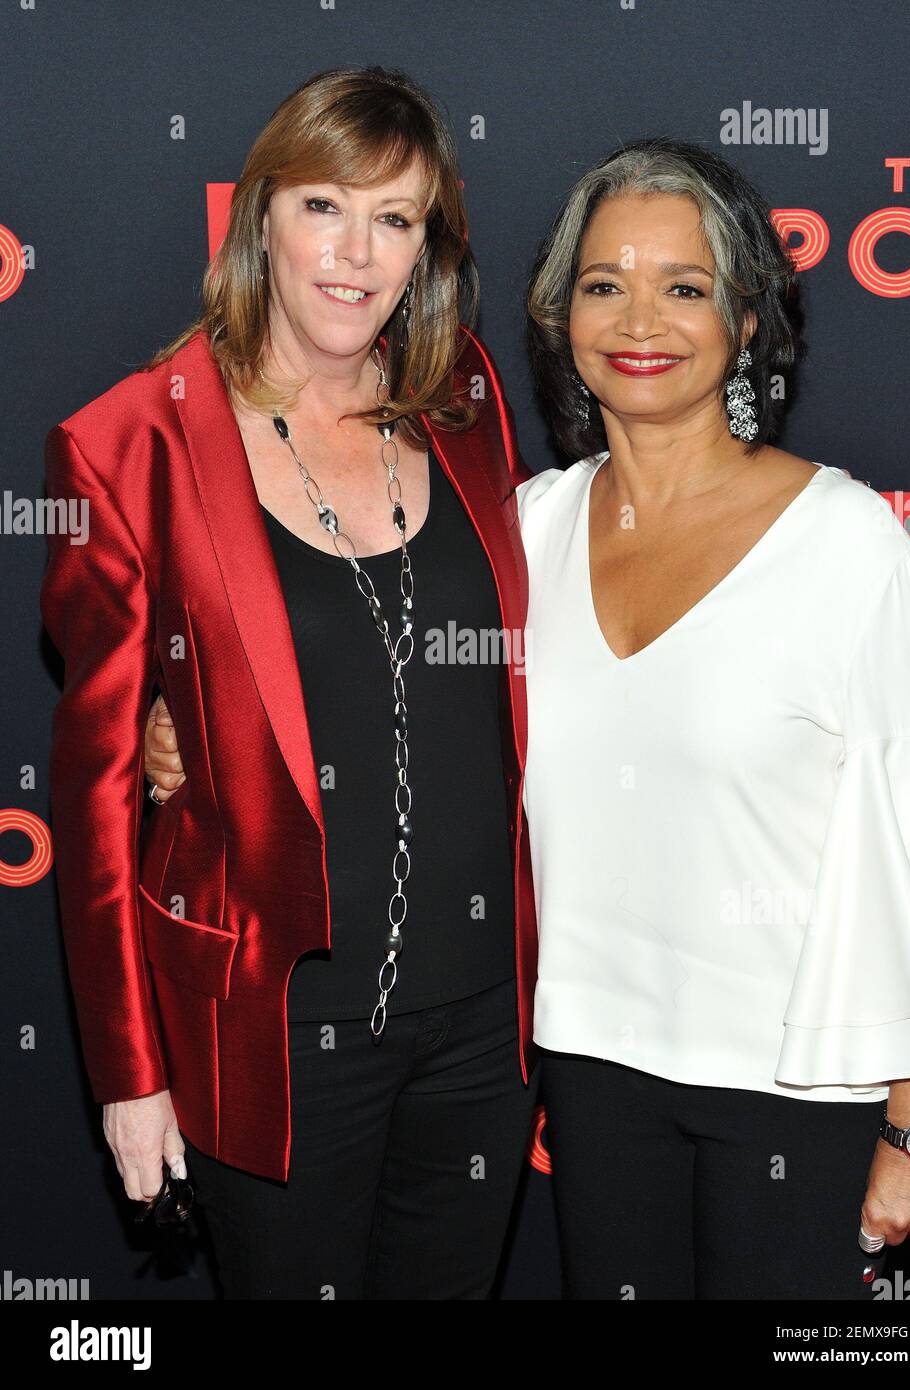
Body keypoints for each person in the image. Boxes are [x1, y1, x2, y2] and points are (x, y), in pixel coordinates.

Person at [40, 65, 539, 1300]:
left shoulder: (461, 396)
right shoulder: (127, 446)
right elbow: (98, 797)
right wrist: (127, 1073)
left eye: (397, 218)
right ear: (259, 214)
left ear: (428, 245)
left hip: (483, 1025)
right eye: (325, 205)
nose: (355, 256)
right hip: (275, 1033)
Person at [516, 137, 910, 1298]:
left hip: (798, 1079)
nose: (638, 318)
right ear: (562, 315)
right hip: (588, 1059)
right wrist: (178, 742)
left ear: (747, 318)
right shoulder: (526, 532)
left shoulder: (849, 546)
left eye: (685, 285)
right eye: (603, 283)